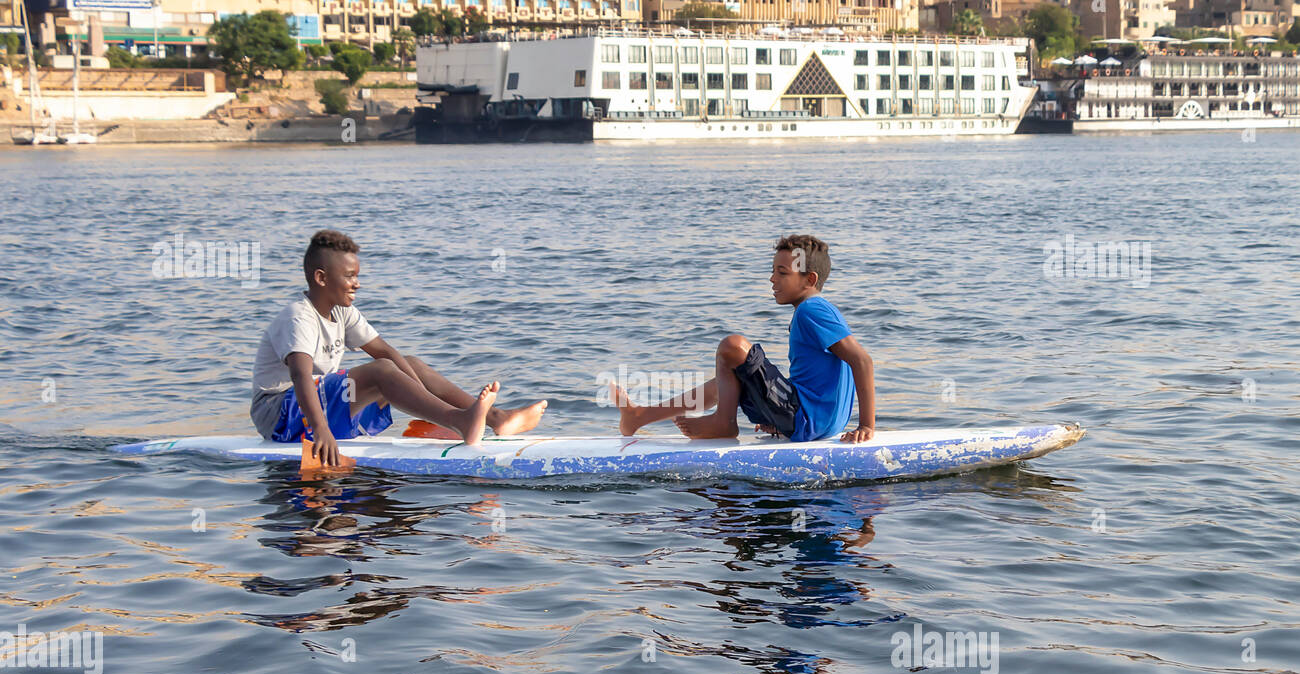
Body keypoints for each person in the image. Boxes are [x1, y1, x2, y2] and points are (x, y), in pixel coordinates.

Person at [250, 229, 547, 466]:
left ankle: (494, 418)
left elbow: (387, 353)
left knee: (408, 363)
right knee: (381, 373)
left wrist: (428, 401)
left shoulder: (342, 312)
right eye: (349, 276)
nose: (357, 284)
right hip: (281, 415)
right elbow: (301, 378)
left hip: (319, 408)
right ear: (321, 278)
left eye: (358, 275)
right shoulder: (298, 318)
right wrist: (322, 432)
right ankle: (458, 421)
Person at [610, 234, 875, 443]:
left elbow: (862, 361)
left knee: (732, 347)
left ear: (809, 279)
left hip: (806, 417)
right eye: (773, 271)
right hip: (811, 418)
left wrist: (866, 426)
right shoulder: (815, 310)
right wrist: (776, 414)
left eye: (782, 273)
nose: (772, 279)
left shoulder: (811, 309)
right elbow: (818, 379)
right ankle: (638, 416)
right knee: (729, 379)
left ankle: (723, 423)